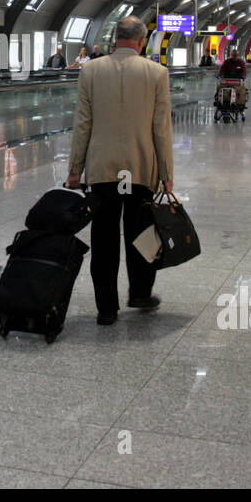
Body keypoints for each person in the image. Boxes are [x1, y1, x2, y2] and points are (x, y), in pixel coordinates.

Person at [66, 16, 173, 326]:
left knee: (104, 238)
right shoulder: (157, 73)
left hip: (102, 169)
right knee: (142, 235)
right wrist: (166, 173)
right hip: (140, 168)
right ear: (141, 41)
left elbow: (82, 124)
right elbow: (161, 129)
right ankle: (140, 293)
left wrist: (75, 170)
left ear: (115, 39)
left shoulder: (91, 70)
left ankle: (106, 308)